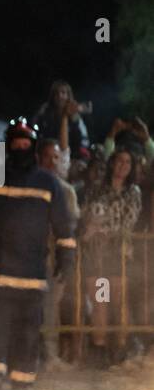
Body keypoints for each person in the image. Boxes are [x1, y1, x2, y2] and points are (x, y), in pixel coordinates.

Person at [0, 118, 77, 390]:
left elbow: (63, 226)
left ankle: (22, 381)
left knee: (28, 330)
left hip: (32, 275)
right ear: (8, 146)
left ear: (32, 147)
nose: (21, 147)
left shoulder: (48, 183)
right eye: (16, 143)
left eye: (25, 143)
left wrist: (66, 259)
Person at [79, 147, 141, 367]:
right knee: (101, 300)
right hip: (98, 256)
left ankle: (121, 346)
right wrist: (94, 230)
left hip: (118, 254)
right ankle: (100, 347)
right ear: (112, 163)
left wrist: (101, 229)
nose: (123, 166)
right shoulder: (97, 189)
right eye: (120, 161)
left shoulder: (132, 192)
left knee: (119, 300)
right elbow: (87, 216)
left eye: (128, 162)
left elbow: (128, 222)